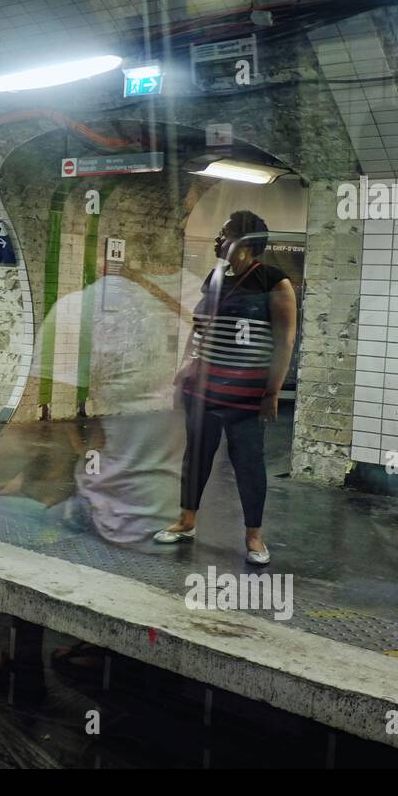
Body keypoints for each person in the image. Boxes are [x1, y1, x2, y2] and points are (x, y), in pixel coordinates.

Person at [0, 260, 188, 749]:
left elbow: (31, 423)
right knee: (32, 501)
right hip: (172, 523)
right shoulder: (182, 311)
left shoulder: (80, 311)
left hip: (110, 530)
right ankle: (19, 665)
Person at [156, 210, 297, 565]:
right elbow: (201, 327)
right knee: (196, 457)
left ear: (244, 242)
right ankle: (187, 521)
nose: (218, 240)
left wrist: (272, 392)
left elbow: (284, 341)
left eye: (224, 233)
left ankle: (254, 537)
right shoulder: (215, 277)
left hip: (246, 395)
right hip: (202, 388)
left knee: (247, 462)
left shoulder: (273, 282)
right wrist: (185, 367)